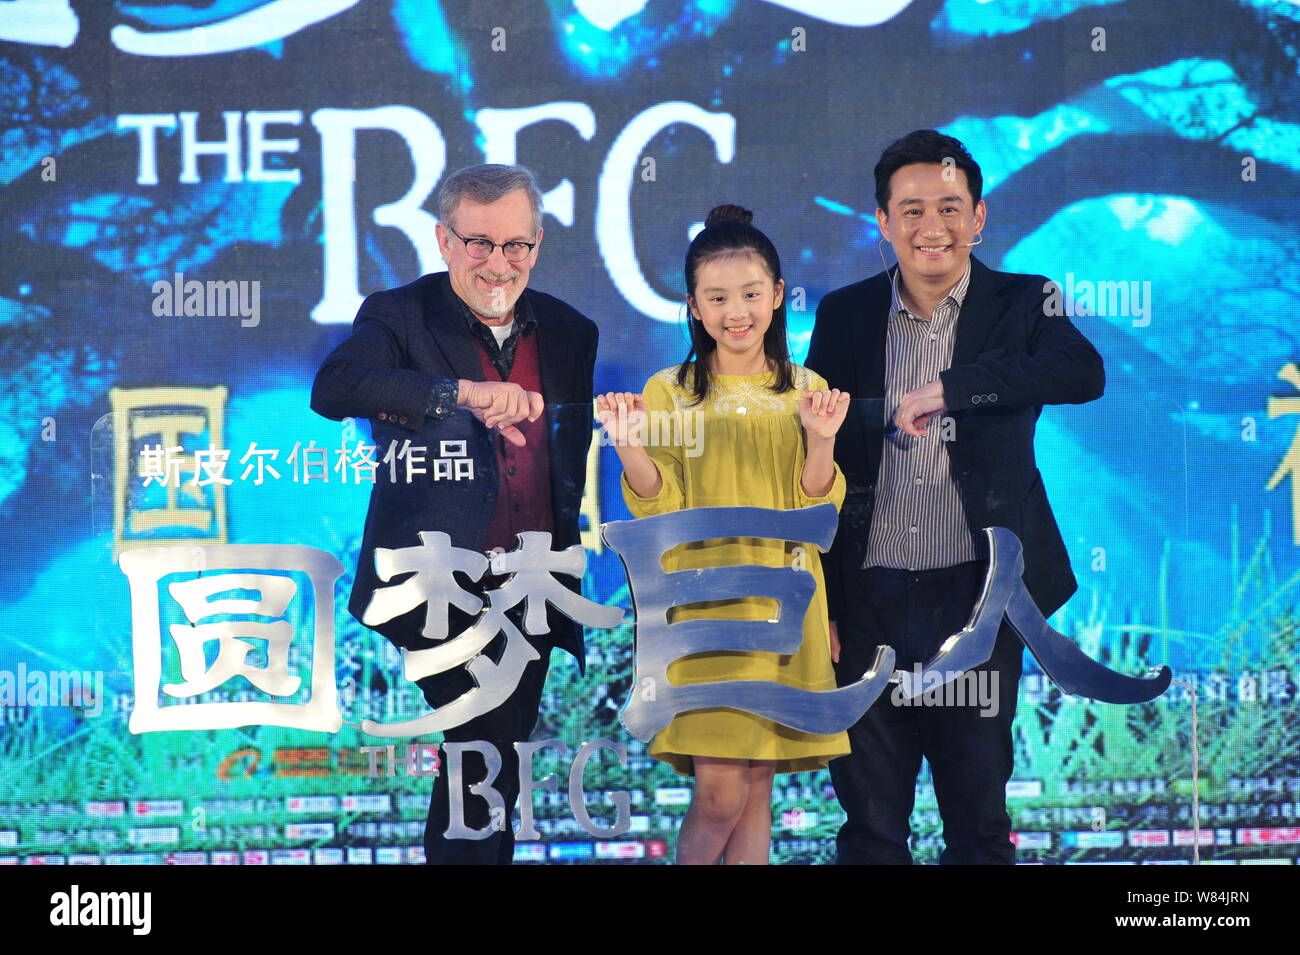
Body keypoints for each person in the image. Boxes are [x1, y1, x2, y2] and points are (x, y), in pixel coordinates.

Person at [805, 129, 1105, 864]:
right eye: (910, 210)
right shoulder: (844, 314)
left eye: (948, 207)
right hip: (869, 595)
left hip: (980, 597)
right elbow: (823, 453)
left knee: (977, 824)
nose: (930, 226)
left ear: (978, 217)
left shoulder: (1024, 301)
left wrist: (955, 388)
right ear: (882, 222)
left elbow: (1082, 372)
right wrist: (827, 603)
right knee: (871, 827)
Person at [310, 163, 598, 865]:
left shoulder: (568, 330)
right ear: (444, 241)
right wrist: (460, 393)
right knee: (484, 749)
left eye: (516, 246)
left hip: (532, 580)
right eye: (478, 243)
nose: (498, 264)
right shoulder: (399, 313)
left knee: (494, 761)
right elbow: (337, 385)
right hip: (438, 583)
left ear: (536, 243)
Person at [598, 204, 851, 865]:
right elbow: (663, 511)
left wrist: (821, 439)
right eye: (716, 297)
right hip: (705, 612)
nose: (735, 311)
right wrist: (629, 448)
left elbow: (815, 506)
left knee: (756, 788)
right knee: (719, 795)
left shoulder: (808, 389)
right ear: (693, 306)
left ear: (775, 295)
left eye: (748, 294)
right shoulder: (669, 391)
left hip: (790, 609)